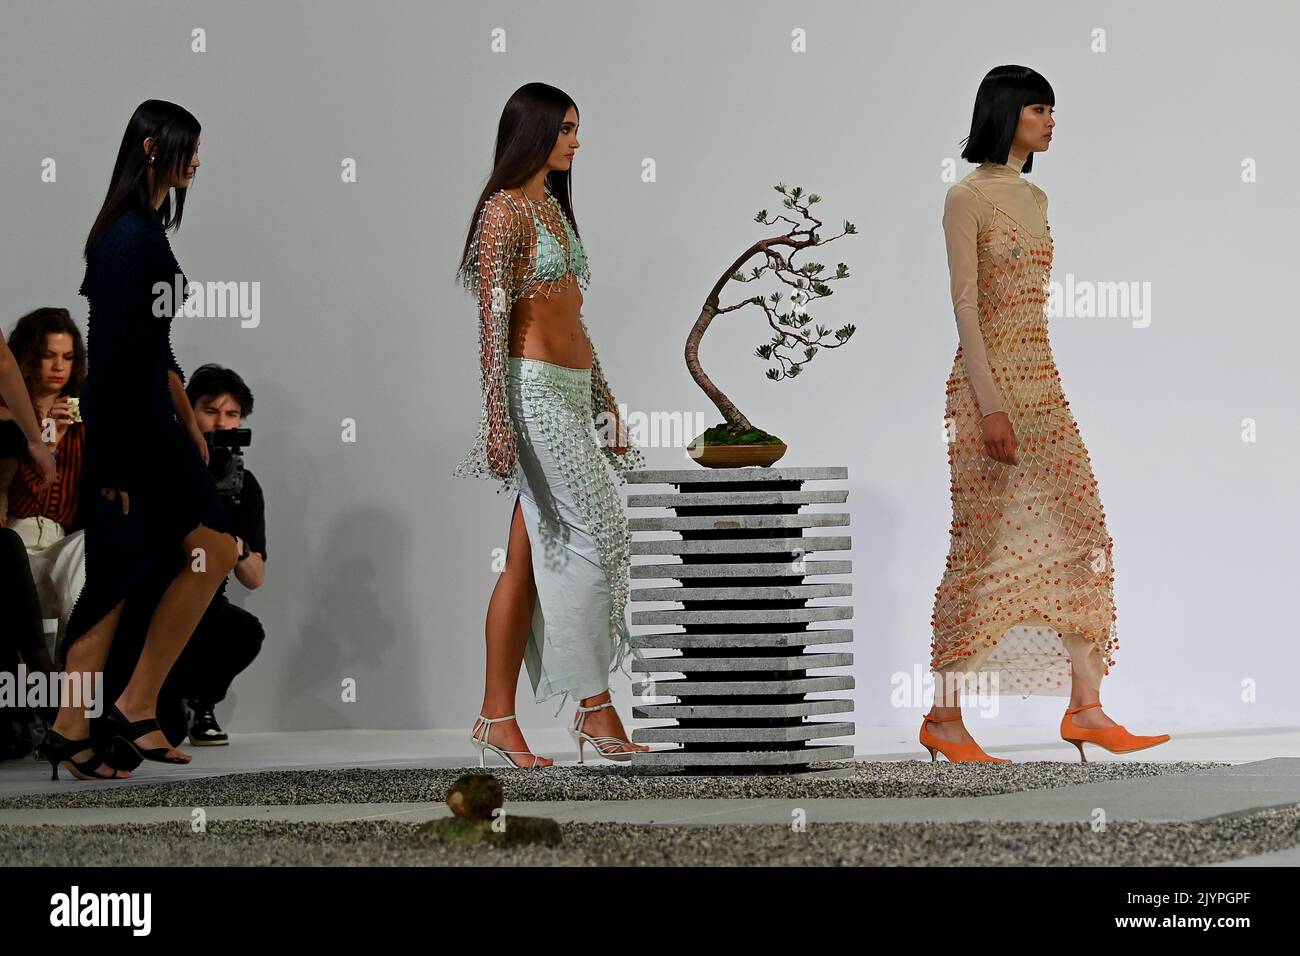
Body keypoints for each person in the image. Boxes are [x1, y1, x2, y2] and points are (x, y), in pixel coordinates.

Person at [926, 65, 1169, 763]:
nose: (1051, 120)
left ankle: (1087, 708)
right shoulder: (964, 197)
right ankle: (943, 719)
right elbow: (966, 308)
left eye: (1052, 110)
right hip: (986, 395)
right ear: (1006, 114)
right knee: (978, 550)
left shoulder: (1035, 195)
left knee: (1085, 539)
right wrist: (991, 406)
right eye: (1039, 109)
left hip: (1044, 387)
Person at [39, 99, 240, 782]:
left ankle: (121, 707)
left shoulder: (137, 228)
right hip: (129, 422)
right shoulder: (130, 236)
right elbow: (118, 354)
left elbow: (156, 346)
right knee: (153, 560)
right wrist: (125, 450)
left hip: (147, 417)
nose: (199, 160)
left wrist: (188, 422)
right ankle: (101, 714)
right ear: (153, 148)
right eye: (190, 147)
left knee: (157, 561)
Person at [455, 82, 648, 768]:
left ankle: (494, 720)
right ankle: (595, 709)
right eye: (566, 129)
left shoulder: (555, 211)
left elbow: (574, 320)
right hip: (531, 396)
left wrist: (605, 402)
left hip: (570, 391)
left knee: (526, 564)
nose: (576, 141)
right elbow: (492, 322)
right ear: (533, 132)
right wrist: (498, 420)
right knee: (598, 542)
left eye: (577, 128)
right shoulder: (504, 212)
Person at [0, 308, 89, 651]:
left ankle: (74, 671)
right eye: (48, 356)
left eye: (67, 357)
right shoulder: (9, 419)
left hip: (59, 543)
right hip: (14, 539)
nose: (58, 367)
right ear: (28, 356)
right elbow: (17, 495)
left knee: (90, 548)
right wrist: (47, 440)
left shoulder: (84, 421)